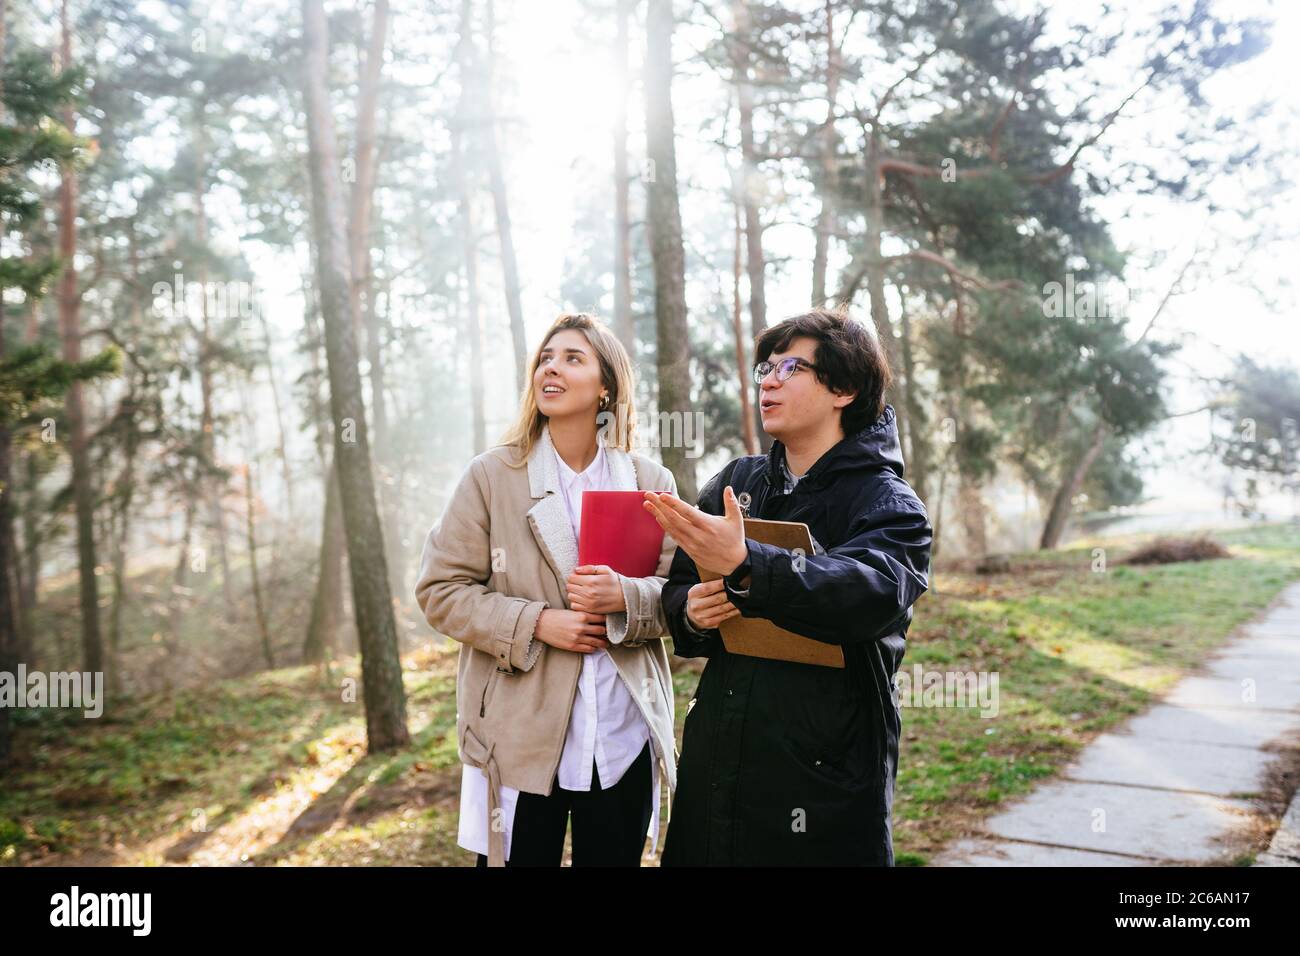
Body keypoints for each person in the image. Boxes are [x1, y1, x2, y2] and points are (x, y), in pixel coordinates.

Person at [643, 306, 932, 866]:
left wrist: (749, 562)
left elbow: (868, 593)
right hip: (719, 755)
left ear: (844, 388)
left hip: (825, 770)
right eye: (766, 369)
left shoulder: (888, 504)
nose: (769, 381)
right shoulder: (738, 483)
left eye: (791, 369)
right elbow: (678, 589)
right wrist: (693, 612)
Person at [414, 312, 679, 866]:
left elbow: (675, 598)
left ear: (606, 384)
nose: (550, 368)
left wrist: (624, 599)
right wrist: (537, 623)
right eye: (545, 358)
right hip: (520, 735)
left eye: (572, 358)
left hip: (622, 731)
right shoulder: (491, 476)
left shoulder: (651, 483)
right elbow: (441, 590)